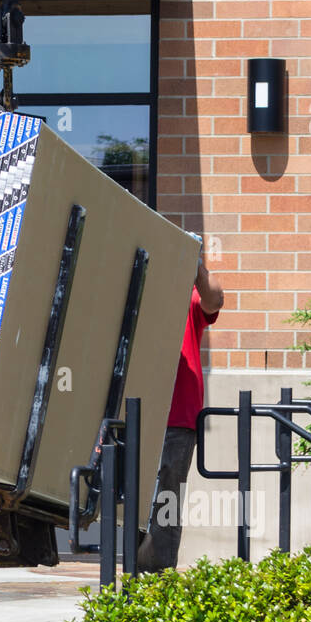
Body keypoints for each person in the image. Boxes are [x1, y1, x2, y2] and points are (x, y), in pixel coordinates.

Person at [137, 246, 225, 573]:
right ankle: (135, 576)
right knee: (133, 494)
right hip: (136, 411)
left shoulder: (189, 294)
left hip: (178, 413)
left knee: (166, 500)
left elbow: (215, 300)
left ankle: (155, 579)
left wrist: (197, 265)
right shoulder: (137, 287)